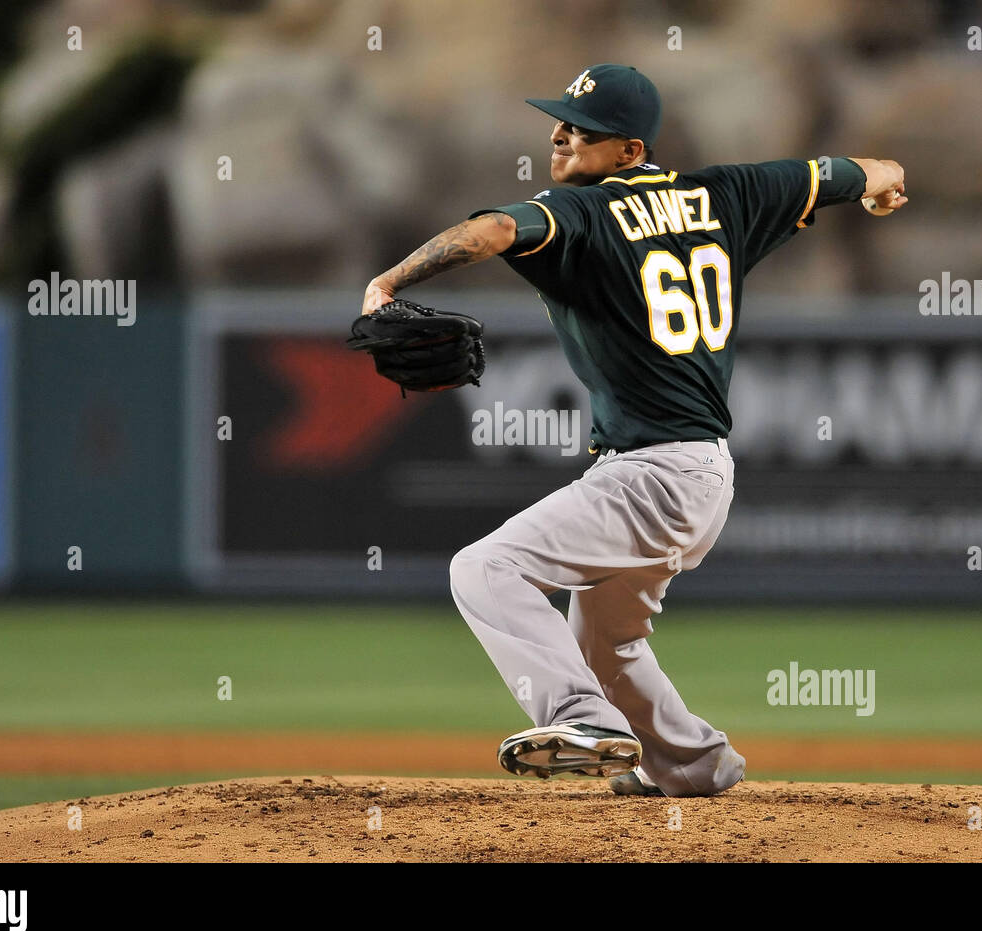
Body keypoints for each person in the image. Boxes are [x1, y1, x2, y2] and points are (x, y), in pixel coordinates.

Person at [361, 64, 907, 796]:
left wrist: (390, 282)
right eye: (560, 121)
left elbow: (493, 228)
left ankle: (583, 717)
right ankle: (694, 763)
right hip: (701, 474)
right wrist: (884, 183)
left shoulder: (580, 213)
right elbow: (864, 170)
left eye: (581, 128)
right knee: (606, 639)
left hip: (652, 475)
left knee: (483, 569)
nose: (559, 134)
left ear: (628, 150)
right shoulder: (728, 194)